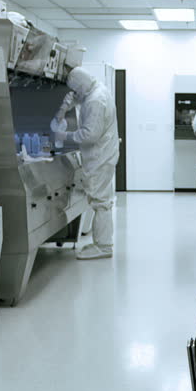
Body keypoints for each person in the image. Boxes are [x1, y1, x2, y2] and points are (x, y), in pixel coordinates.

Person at [52, 67, 119, 260]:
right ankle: (102, 242)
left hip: (100, 156)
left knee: (100, 202)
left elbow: (90, 135)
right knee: (101, 200)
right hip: (102, 155)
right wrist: (65, 106)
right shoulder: (96, 90)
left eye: (76, 90)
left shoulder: (96, 100)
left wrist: (64, 136)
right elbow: (79, 97)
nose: (76, 94)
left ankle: (104, 246)